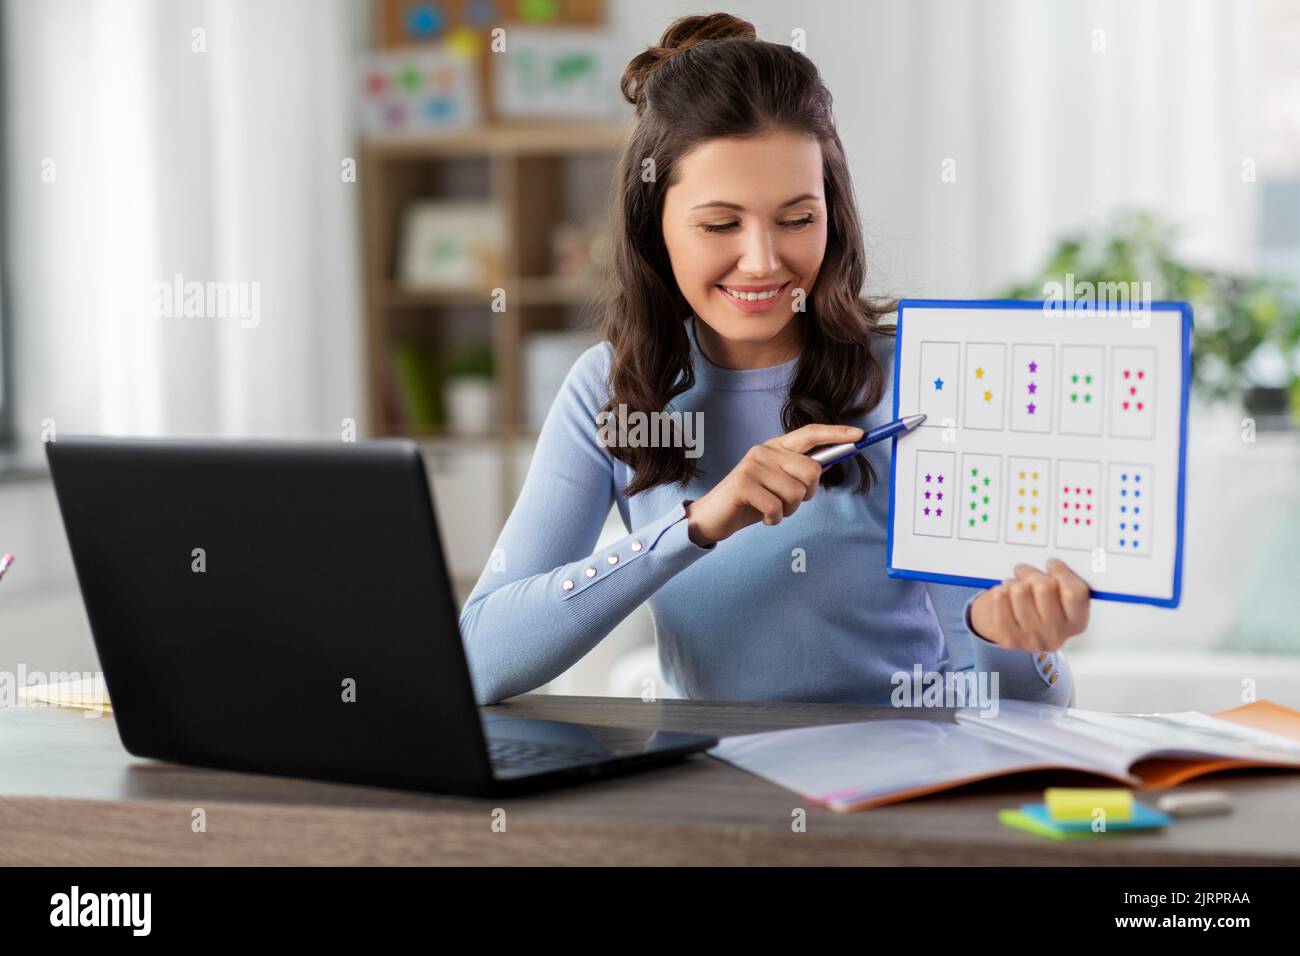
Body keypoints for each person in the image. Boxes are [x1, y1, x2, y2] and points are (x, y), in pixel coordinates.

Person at [459, 12, 1088, 706]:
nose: (763, 262)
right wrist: (695, 527)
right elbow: (480, 656)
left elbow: (1034, 707)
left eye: (796, 219)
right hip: (713, 788)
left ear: (832, 214)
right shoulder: (610, 394)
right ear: (654, 225)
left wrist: (1015, 641)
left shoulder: (917, 375)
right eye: (721, 223)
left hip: (900, 783)